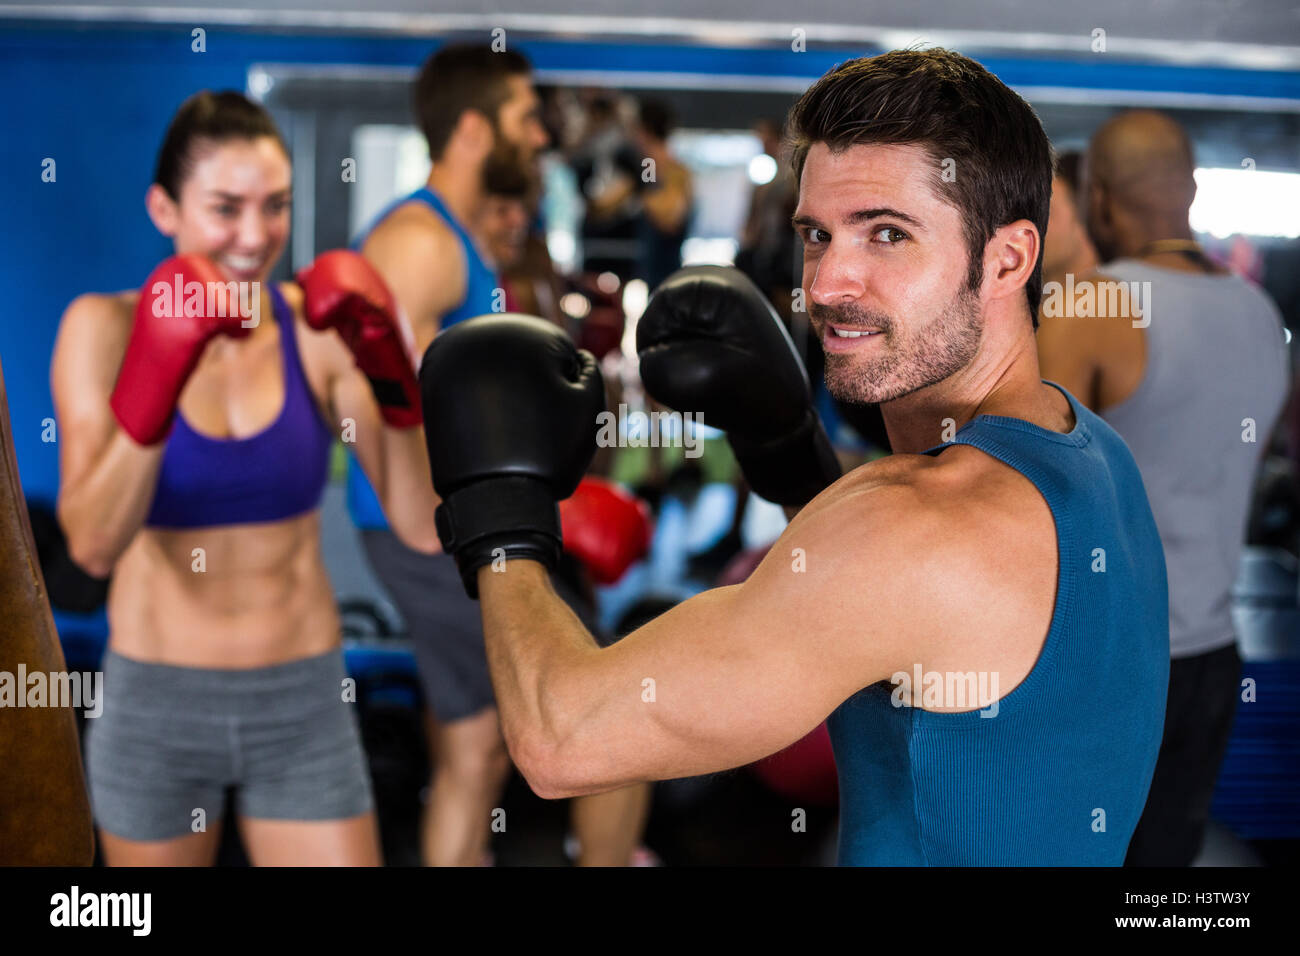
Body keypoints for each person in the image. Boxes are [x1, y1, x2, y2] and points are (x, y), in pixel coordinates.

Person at [420, 48, 1171, 866]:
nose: (830, 283)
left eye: (888, 233)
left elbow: (561, 740)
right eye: (818, 234)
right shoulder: (1093, 451)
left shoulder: (916, 530)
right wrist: (787, 451)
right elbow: (906, 591)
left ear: (1008, 259)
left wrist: (497, 513)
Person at [51, 90, 439, 866]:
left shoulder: (317, 333)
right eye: (226, 207)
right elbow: (93, 546)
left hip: (301, 701)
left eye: (277, 206)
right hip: (156, 702)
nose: (255, 236)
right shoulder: (103, 328)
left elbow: (423, 525)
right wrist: (156, 378)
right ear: (165, 208)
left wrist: (395, 381)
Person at [352, 44, 652, 867]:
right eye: (525, 115)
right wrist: (425, 521)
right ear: (476, 129)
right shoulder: (419, 241)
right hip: (436, 528)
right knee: (607, 711)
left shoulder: (461, 239)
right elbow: (364, 386)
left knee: (475, 744)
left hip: (456, 523)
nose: (539, 129)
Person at [1038, 109, 1291, 865]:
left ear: (1102, 199)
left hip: (1104, 657)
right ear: (1189, 189)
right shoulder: (1259, 311)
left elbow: (1021, 476)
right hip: (1213, 654)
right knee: (1162, 877)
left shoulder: (1090, 304)